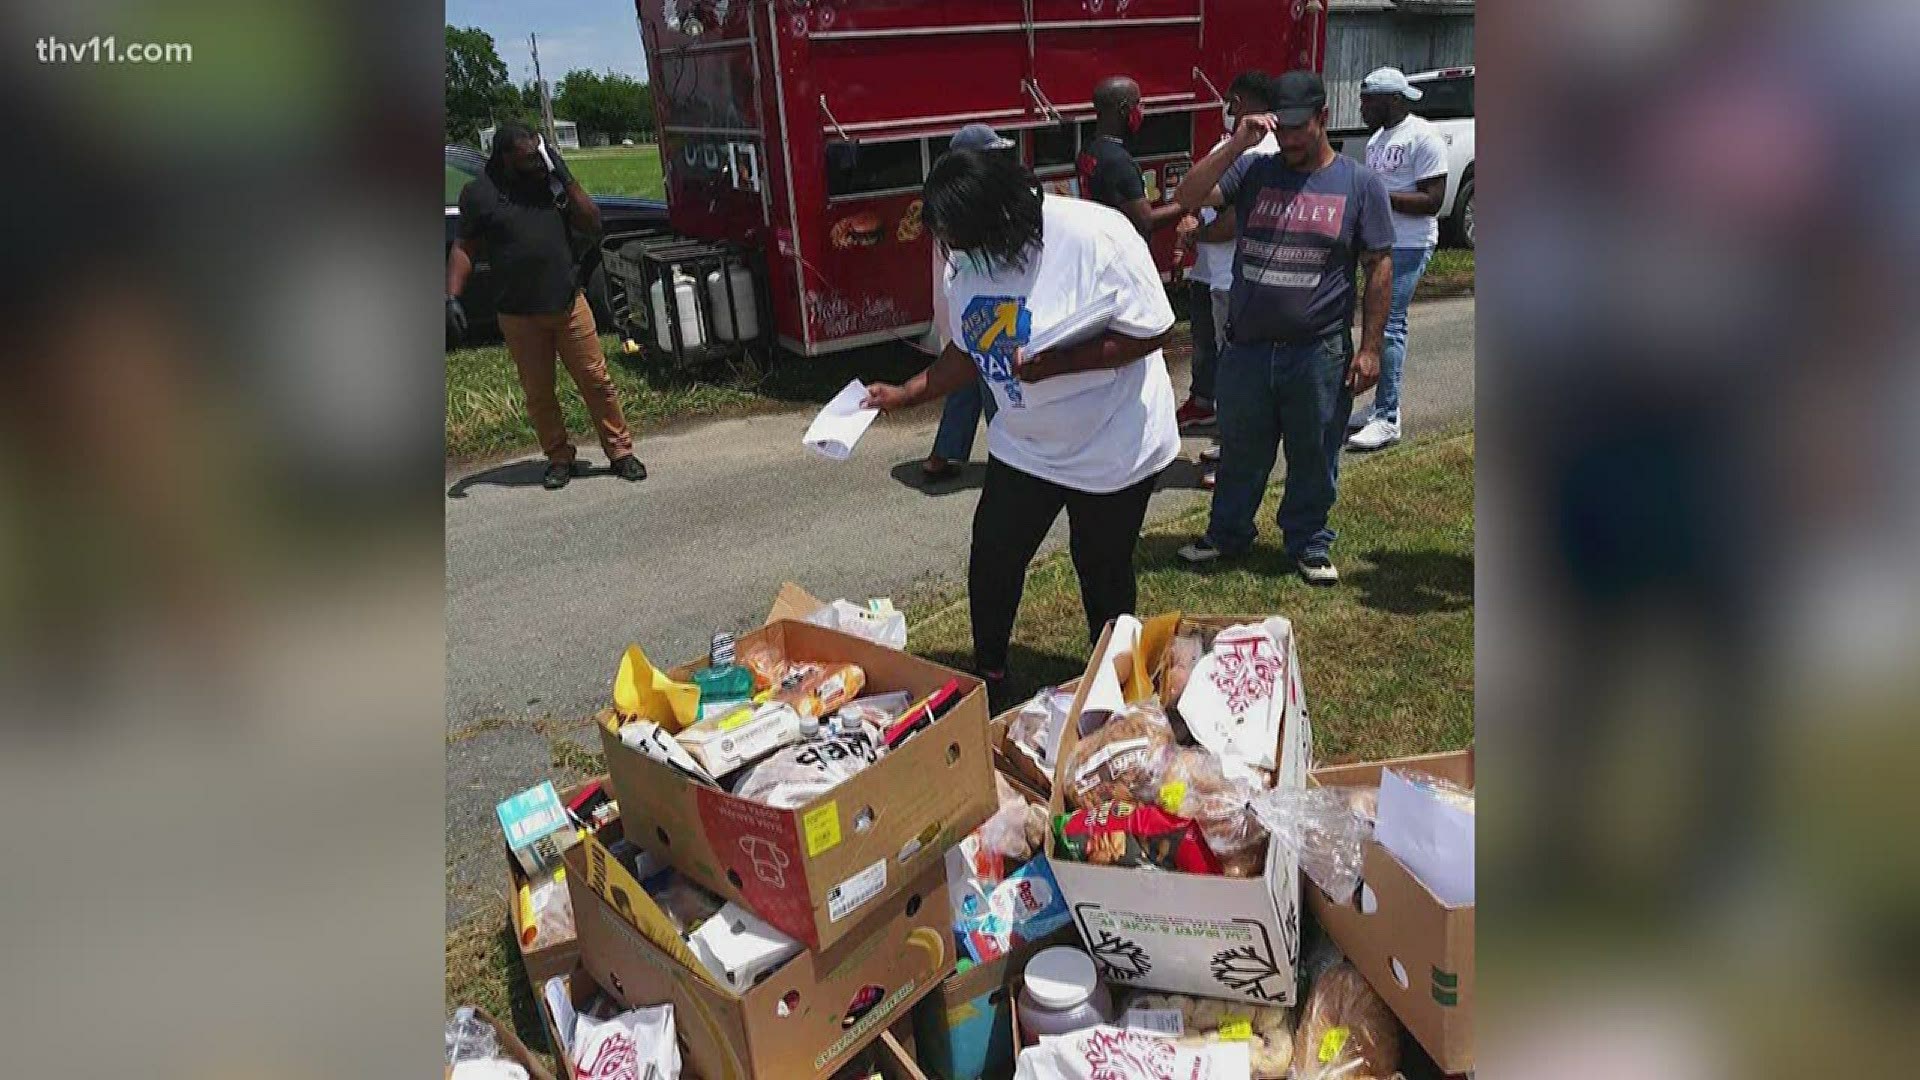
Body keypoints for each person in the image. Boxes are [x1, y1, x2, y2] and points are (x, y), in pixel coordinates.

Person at [864, 149, 1180, 690]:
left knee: (1101, 566)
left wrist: (1060, 364)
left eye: (966, 243)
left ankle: (1112, 684)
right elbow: (967, 351)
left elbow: (1154, 330)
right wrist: (905, 394)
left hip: (1111, 446)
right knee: (993, 555)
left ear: (1004, 217)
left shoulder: (1097, 236)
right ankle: (988, 671)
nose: (958, 257)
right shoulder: (967, 256)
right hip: (1025, 445)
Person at [1169, 71, 1394, 585]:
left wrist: (1371, 349)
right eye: (1281, 129)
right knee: (1241, 451)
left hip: (1317, 352)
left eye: (1298, 129)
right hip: (1247, 349)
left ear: (1323, 119)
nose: (1288, 140)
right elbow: (1189, 194)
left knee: (1314, 453)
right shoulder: (1254, 170)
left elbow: (1379, 265)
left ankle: (1308, 543)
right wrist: (1237, 142)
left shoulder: (1359, 185)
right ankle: (1226, 535)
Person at [447, 122, 645, 490]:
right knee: (539, 393)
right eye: (528, 158)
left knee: (597, 380)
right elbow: (464, 247)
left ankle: (620, 452)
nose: (537, 163)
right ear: (506, 159)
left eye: (540, 154)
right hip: (518, 314)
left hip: (568, 302)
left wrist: (565, 176)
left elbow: (592, 221)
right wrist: (452, 296)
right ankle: (558, 456)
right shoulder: (479, 194)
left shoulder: (551, 184)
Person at [1174, 71, 1281, 456]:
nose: (1227, 107)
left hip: (1233, 273)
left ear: (1242, 101)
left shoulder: (1261, 152)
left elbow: (1237, 219)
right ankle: (1214, 415)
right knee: (1214, 353)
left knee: (1236, 363)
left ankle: (1233, 444)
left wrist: (1197, 234)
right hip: (1211, 272)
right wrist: (1189, 220)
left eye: (1232, 100)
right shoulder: (1235, 144)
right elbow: (1190, 194)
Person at [1347, 67, 1449, 452]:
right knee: (1375, 324)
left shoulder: (1423, 137)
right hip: (1379, 245)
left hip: (1409, 245)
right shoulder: (1378, 139)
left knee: (1389, 327)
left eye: (1368, 100)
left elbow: (1433, 201)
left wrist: (1379, 198)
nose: (1361, 107)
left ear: (1393, 99)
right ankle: (1376, 406)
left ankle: (1388, 418)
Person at [921, 124, 1017, 485]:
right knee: (996, 385)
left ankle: (942, 454)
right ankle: (1011, 460)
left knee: (964, 381)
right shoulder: (977, 203)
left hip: (954, 308)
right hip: (980, 310)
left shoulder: (945, 195)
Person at [1078, 76, 1190, 238]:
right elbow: (1146, 221)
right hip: (1119, 247)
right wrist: (1188, 202)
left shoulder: (1089, 147)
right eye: (1138, 103)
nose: (1141, 109)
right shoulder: (1119, 161)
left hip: (1099, 237)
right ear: (1124, 109)